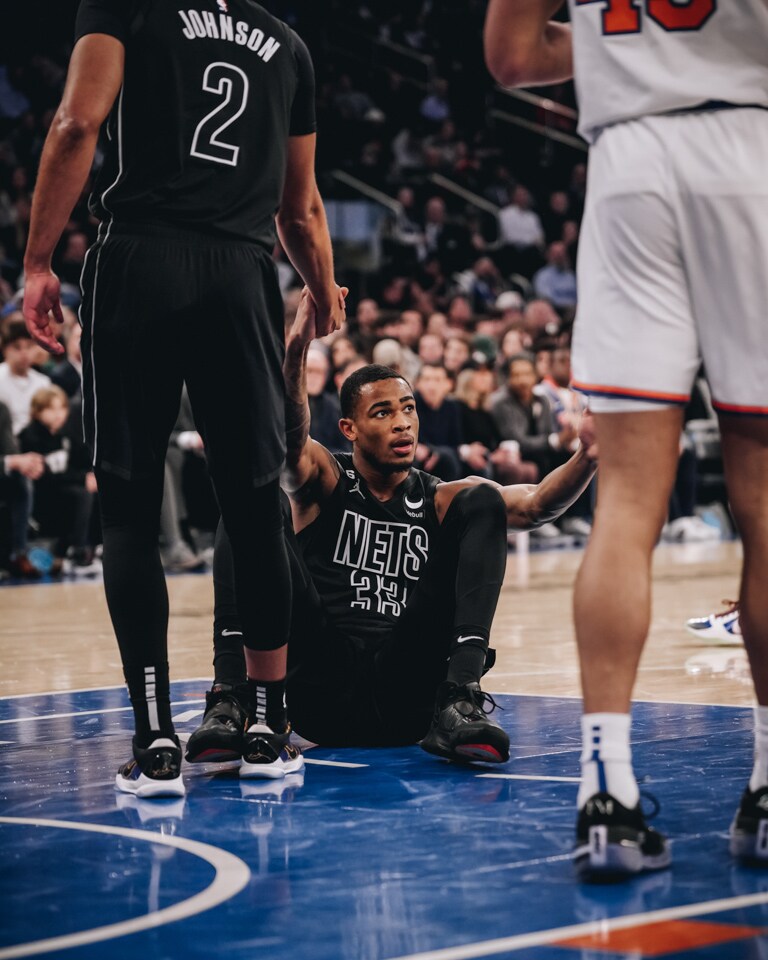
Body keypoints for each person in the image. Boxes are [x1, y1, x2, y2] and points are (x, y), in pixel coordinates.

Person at [23, 0, 345, 799]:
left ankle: (158, 740)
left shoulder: (123, 8)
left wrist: (35, 261)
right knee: (252, 505)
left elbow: (74, 123)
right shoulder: (288, 45)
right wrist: (322, 283)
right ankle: (268, 728)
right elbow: (298, 207)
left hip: (139, 261)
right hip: (240, 277)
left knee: (129, 511)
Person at [485, 0, 768, 879]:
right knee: (763, 505)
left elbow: (512, 54)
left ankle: (604, 792)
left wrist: (626, 51)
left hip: (629, 166)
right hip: (750, 152)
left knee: (625, 508)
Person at [185, 289, 598, 766]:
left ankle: (459, 697)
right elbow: (290, 442)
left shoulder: (439, 496)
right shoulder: (327, 479)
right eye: (383, 413)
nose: (402, 423)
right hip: (318, 687)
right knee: (253, 506)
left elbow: (536, 505)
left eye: (408, 408)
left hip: (407, 697)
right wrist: (297, 346)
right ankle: (234, 698)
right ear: (349, 429)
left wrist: (589, 454)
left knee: (482, 498)